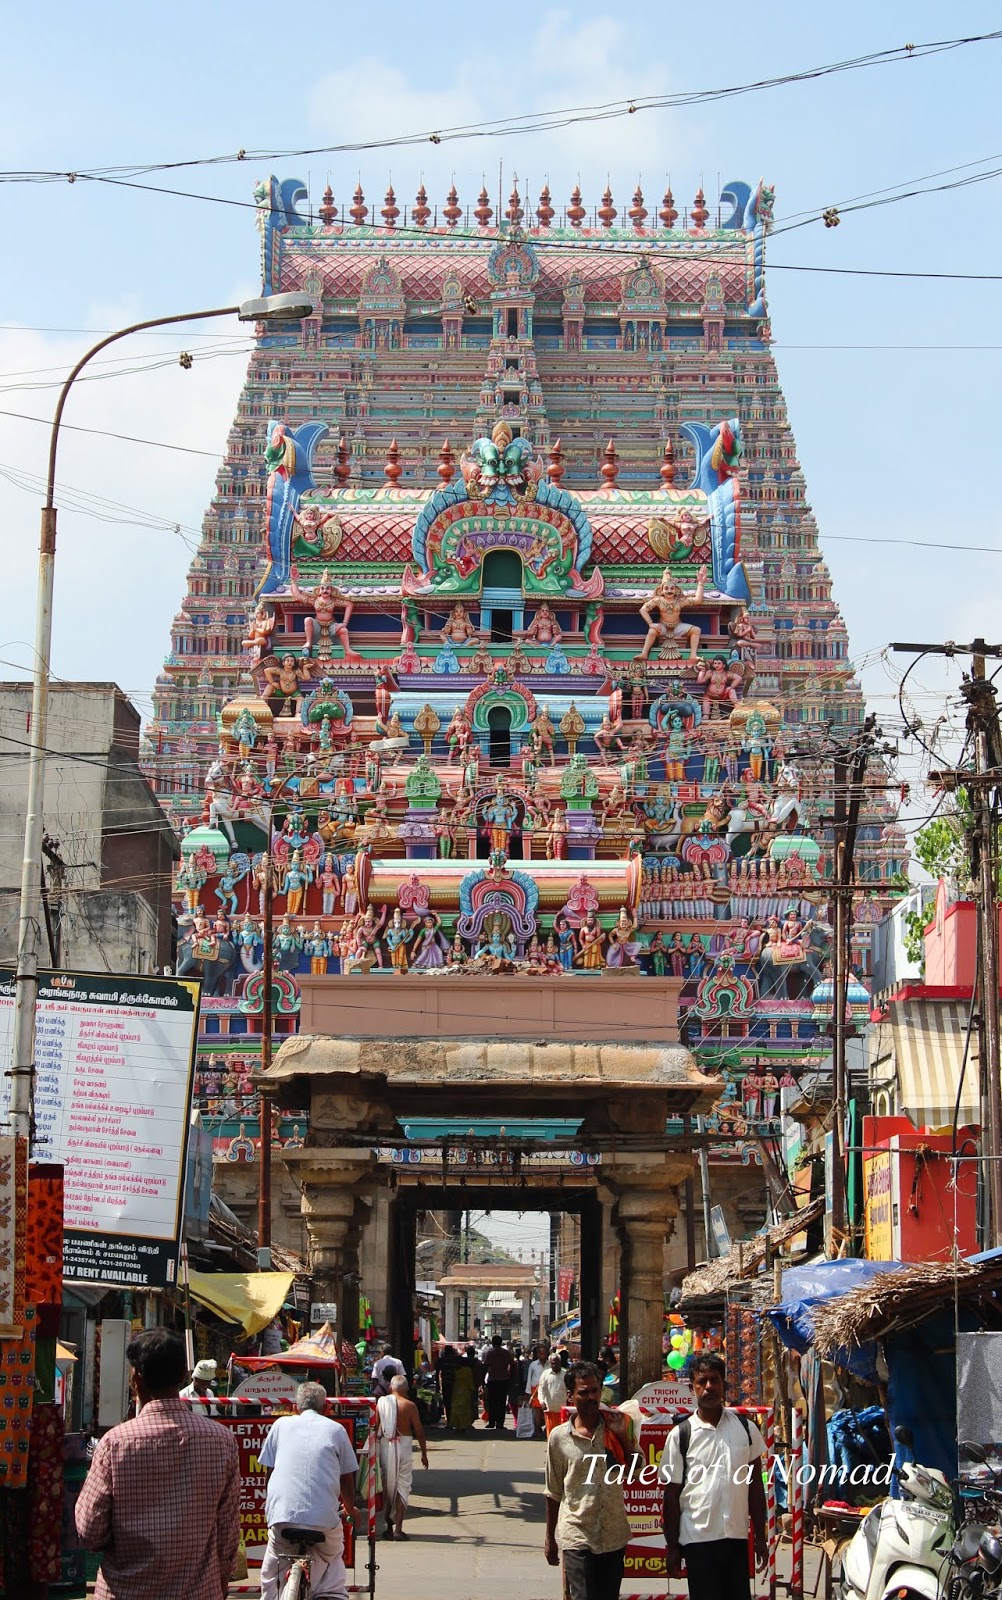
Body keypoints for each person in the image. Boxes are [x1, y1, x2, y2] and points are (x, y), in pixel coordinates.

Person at [75, 1328, 240, 1600]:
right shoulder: (221, 1441)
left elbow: (89, 1531)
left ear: (136, 1379)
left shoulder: (114, 1443)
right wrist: (220, 1582)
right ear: (184, 1377)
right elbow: (228, 1532)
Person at [661, 1353, 767, 1600]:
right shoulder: (680, 1435)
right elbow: (671, 1496)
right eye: (702, 1381)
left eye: (714, 1380)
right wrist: (673, 1548)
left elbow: (755, 1488)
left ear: (724, 1386)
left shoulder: (746, 1429)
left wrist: (760, 1537)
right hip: (698, 1541)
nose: (708, 1386)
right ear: (692, 1388)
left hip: (736, 1538)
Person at [544, 1361, 639, 1600]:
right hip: (578, 1534)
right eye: (583, 1393)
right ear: (571, 1396)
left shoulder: (617, 1427)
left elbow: (638, 1471)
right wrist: (550, 1539)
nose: (591, 1397)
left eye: (595, 1391)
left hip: (613, 1535)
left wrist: (623, 1439)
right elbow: (553, 1491)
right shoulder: (559, 1438)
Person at [259, 1380, 358, 1600]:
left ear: (295, 1407)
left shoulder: (280, 1425)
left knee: (272, 1570)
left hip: (282, 1517)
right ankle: (331, 1594)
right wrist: (350, 1509)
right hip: (324, 1522)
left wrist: (272, 1505)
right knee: (332, 1560)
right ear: (327, 1408)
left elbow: (269, 1472)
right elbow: (346, 1478)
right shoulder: (336, 1430)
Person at [376, 1374, 429, 1540]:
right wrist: (424, 1454)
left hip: (386, 1446)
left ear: (391, 1387)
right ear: (406, 1389)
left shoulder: (382, 1403)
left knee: (388, 1485)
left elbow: (376, 1428)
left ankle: (389, 1528)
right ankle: (398, 1529)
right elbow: (419, 1430)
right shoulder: (410, 1405)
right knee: (403, 1486)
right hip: (404, 1445)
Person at [481, 1335, 513, 1432]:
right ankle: (500, 1423)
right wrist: (511, 1378)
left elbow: (485, 1366)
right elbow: (512, 1365)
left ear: (492, 1343)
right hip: (503, 1380)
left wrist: (482, 1380)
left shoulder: (490, 1353)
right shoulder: (506, 1353)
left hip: (492, 1380)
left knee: (492, 1402)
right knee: (501, 1402)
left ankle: (491, 1422)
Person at [537, 1351, 568, 1436]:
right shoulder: (545, 1374)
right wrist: (542, 1402)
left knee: (562, 1434)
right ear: (550, 1363)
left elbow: (570, 1390)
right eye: (552, 1363)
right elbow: (541, 1390)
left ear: (560, 1363)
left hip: (562, 1411)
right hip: (549, 1410)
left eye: (556, 1363)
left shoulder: (566, 1374)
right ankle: (550, 1448)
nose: (554, 1365)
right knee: (551, 1432)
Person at [448, 1348, 479, 1431]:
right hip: (465, 1392)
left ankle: (456, 1425)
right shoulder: (467, 1370)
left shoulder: (455, 1370)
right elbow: (470, 1381)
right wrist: (473, 1390)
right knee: (464, 1410)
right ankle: (463, 1425)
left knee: (455, 1409)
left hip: (456, 1391)